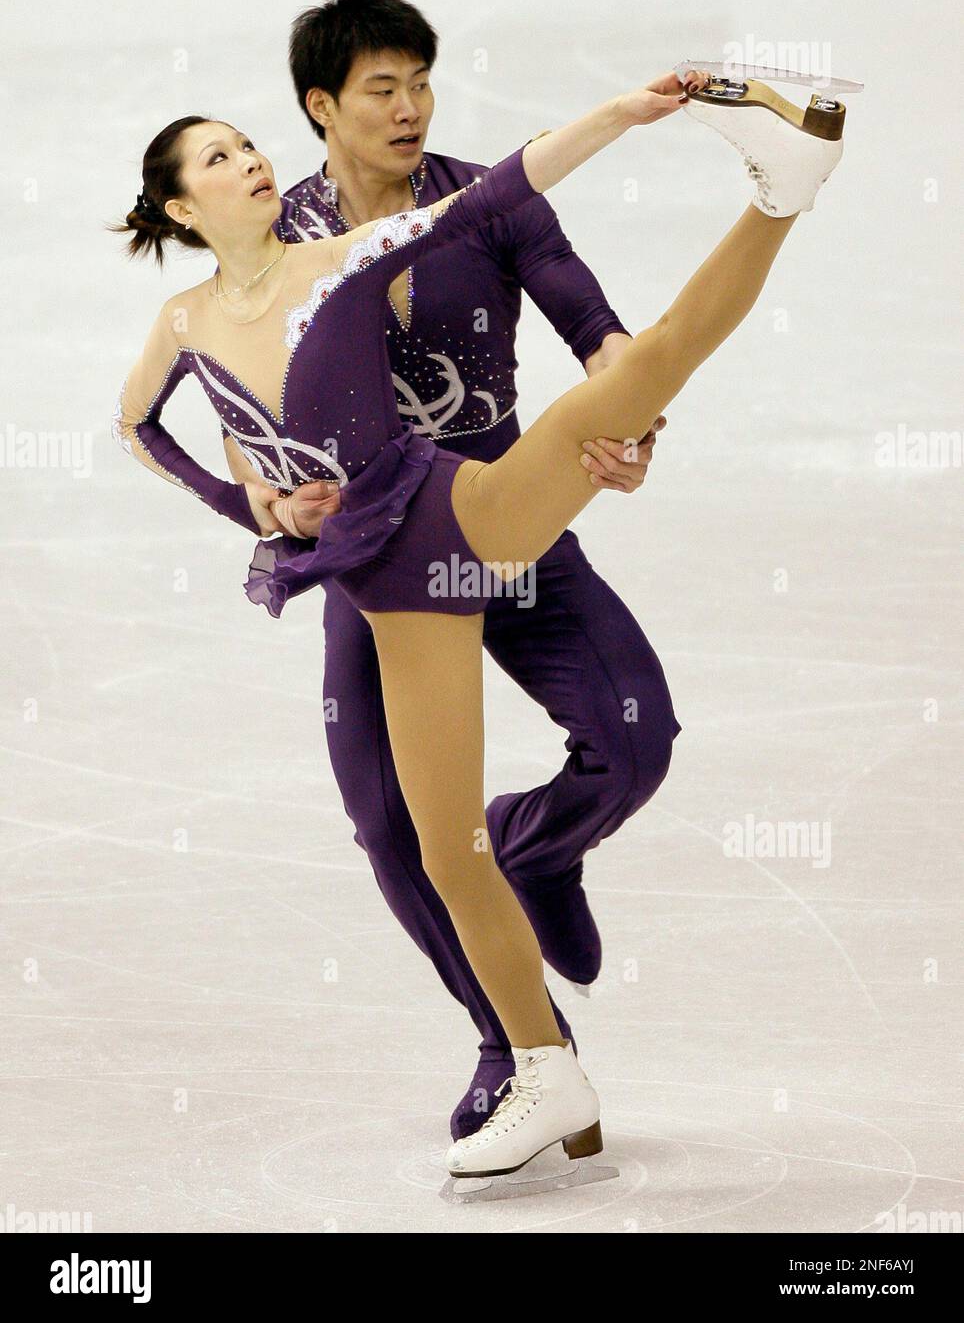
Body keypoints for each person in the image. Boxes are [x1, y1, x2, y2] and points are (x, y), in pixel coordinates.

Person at [111, 64, 849, 1176]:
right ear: (179, 208)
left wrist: (619, 113)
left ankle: (781, 191)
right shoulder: (184, 319)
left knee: (642, 370)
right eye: (217, 158)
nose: (249, 162)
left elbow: (498, 191)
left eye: (245, 146)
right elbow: (138, 430)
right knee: (450, 848)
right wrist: (255, 502)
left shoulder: (341, 259)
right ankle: (541, 1065)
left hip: (459, 507)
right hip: (389, 585)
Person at [220, 0, 680, 1143]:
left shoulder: (484, 204)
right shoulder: (283, 241)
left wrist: (632, 421)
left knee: (634, 739)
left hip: (499, 520)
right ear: (321, 106)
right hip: (376, 561)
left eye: (422, 82)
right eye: (383, 89)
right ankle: (512, 1041)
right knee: (389, 825)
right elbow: (235, 379)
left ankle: (534, 849)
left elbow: (597, 326)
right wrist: (264, 490)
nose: (411, 106)